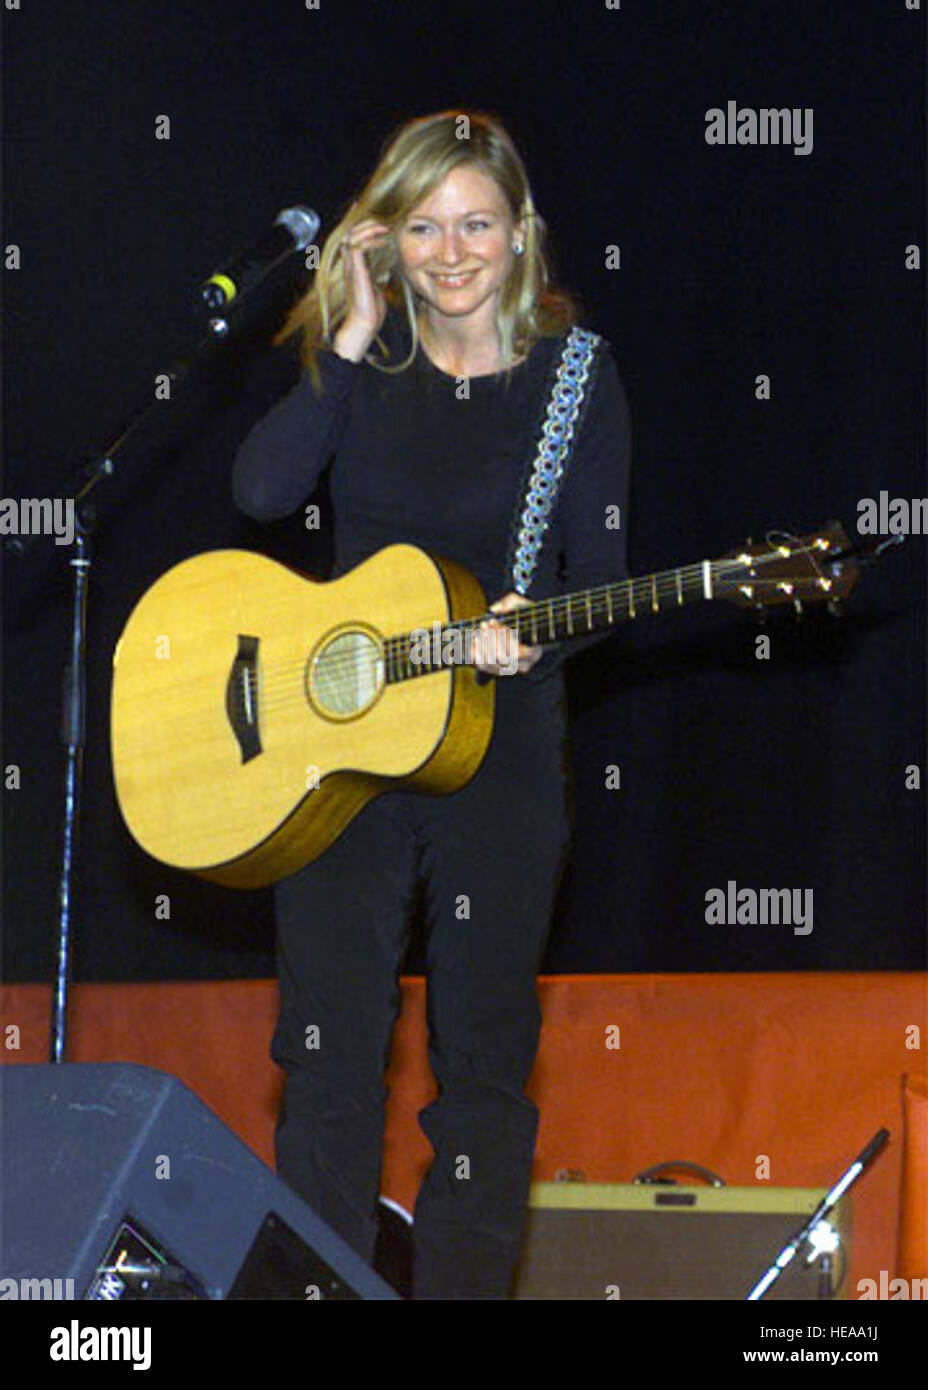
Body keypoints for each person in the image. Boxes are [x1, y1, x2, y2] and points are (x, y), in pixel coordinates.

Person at [232, 108, 631, 1299]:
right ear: (381, 241)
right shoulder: (366, 360)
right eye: (422, 228)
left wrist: (533, 643)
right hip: (344, 750)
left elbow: (601, 584)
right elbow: (259, 492)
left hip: (497, 748)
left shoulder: (575, 377)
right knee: (328, 1060)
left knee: (484, 1067)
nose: (451, 253)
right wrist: (346, 336)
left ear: (521, 236)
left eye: (477, 225)